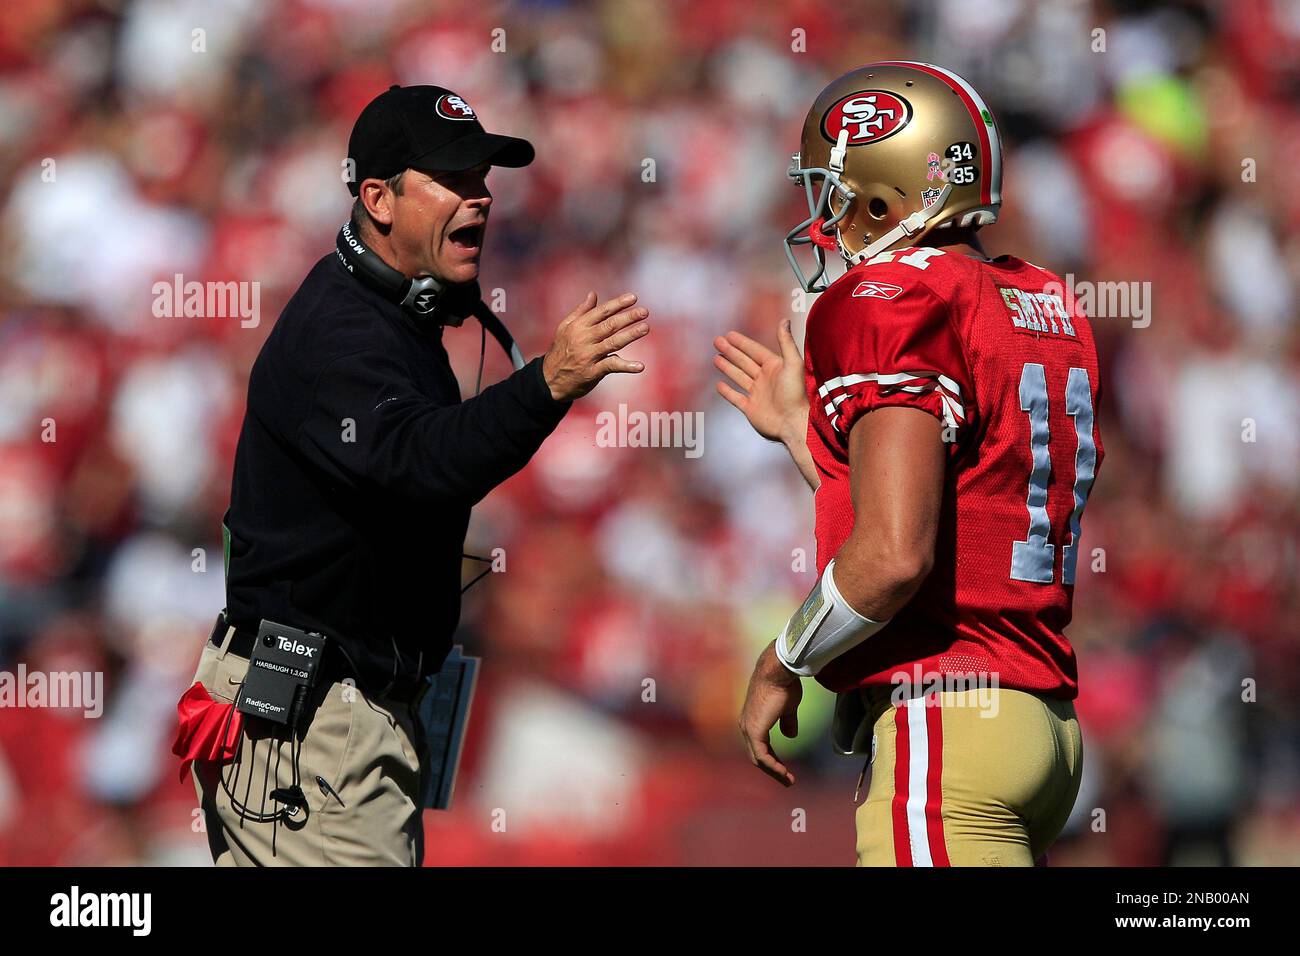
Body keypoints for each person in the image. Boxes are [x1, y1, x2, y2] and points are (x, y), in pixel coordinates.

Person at [183, 84, 650, 866]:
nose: (480, 197)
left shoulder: (396, 314)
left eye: (484, 179)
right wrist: (547, 383)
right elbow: (420, 462)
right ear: (379, 198)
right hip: (311, 723)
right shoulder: (342, 328)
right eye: (454, 179)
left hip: (331, 718)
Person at [719, 61, 1103, 866]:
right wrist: (801, 433)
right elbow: (949, 508)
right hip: (1045, 722)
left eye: (836, 189)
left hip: (946, 718)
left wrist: (784, 657)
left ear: (889, 193)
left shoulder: (890, 296)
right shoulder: (1040, 298)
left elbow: (894, 556)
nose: (825, 217)